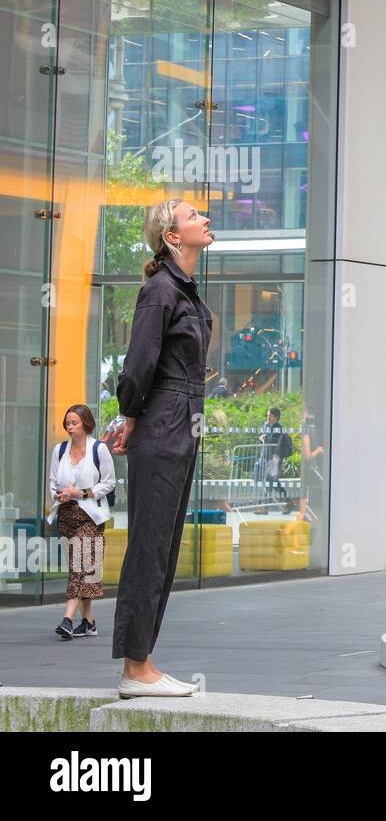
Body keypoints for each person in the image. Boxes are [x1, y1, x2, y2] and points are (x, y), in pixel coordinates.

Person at [108, 199, 213, 698]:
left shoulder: (184, 291)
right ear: (172, 235)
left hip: (180, 422)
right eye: (195, 216)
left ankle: (143, 662)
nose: (205, 218)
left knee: (164, 548)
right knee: (150, 546)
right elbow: (138, 364)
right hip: (164, 421)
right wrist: (129, 417)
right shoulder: (160, 291)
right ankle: (135, 669)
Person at [48, 404, 116, 640]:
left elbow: (109, 483)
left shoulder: (99, 450)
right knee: (82, 569)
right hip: (66, 516)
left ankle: (67, 619)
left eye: (74, 422)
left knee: (80, 567)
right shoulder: (59, 450)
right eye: (67, 423)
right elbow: (52, 482)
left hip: (91, 517)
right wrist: (60, 494)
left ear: (86, 424)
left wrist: (82, 493)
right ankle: (89, 623)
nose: (70, 427)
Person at [256, 407, 288, 508]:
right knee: (268, 480)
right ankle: (267, 504)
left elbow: (276, 441)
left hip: (274, 458)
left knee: (272, 479)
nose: (268, 417)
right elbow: (261, 436)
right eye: (267, 415)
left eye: (270, 416)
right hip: (265, 455)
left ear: (276, 417)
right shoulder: (265, 425)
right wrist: (261, 438)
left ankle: (285, 500)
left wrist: (266, 438)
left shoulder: (278, 428)